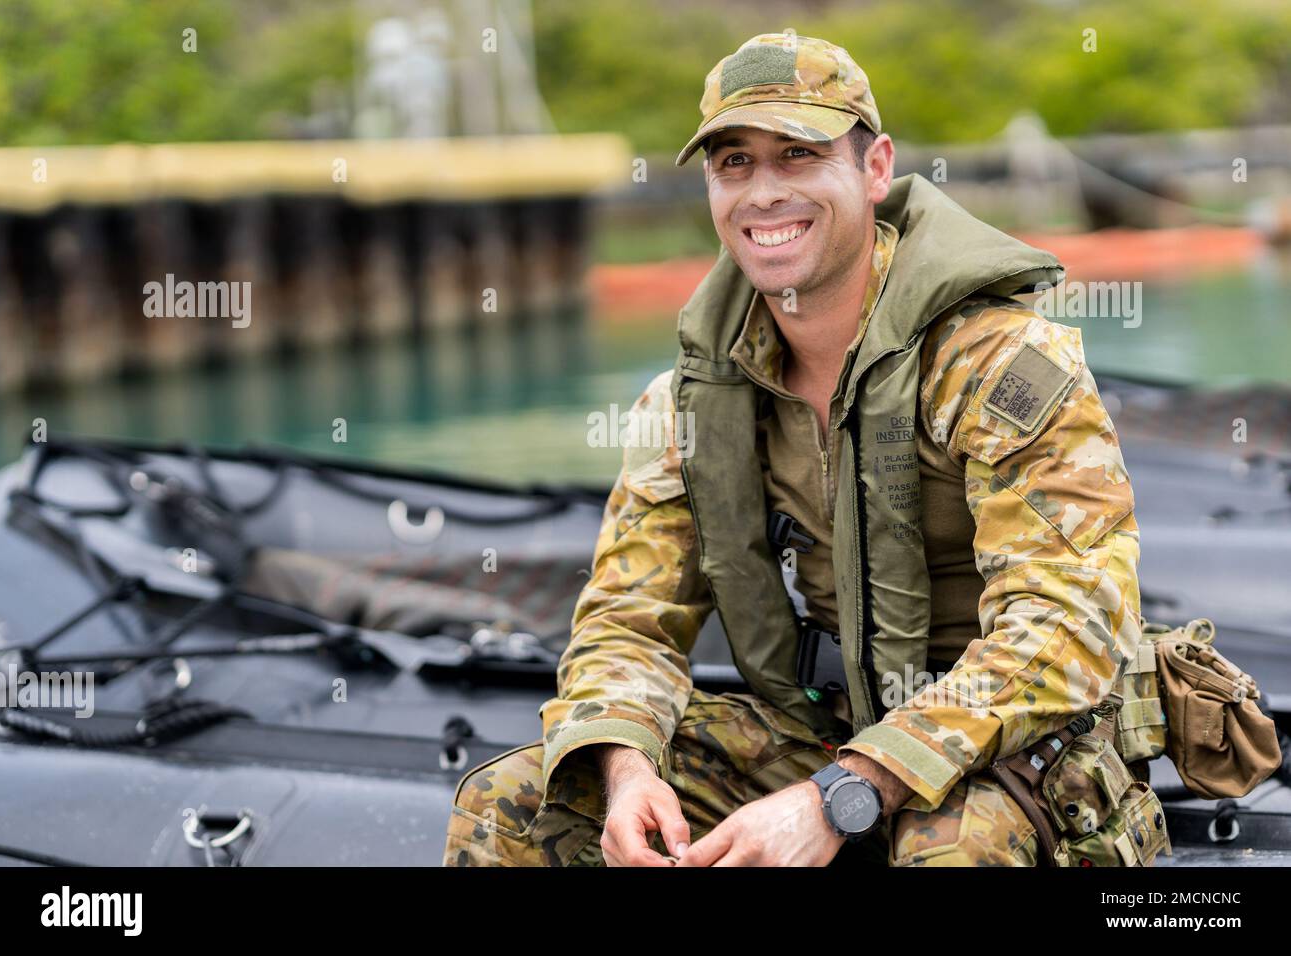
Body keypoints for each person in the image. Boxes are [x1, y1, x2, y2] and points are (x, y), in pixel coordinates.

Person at [443, 32, 1143, 867]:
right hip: (822, 727)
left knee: (948, 850)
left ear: (875, 169)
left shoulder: (998, 364)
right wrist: (629, 771)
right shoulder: (690, 402)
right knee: (512, 806)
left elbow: (1070, 623)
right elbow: (628, 622)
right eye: (733, 164)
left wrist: (846, 793)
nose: (763, 192)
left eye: (800, 156)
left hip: (1015, 737)